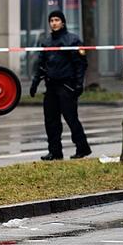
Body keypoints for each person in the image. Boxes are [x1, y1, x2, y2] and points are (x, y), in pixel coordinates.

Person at [31, 10, 91, 161]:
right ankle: (55, 152)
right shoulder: (46, 42)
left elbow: (80, 64)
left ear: (63, 22)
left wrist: (79, 84)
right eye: (51, 20)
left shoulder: (72, 40)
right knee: (50, 120)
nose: (54, 23)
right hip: (51, 86)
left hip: (67, 85)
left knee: (71, 118)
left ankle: (82, 148)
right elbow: (41, 65)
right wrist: (35, 83)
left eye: (57, 20)